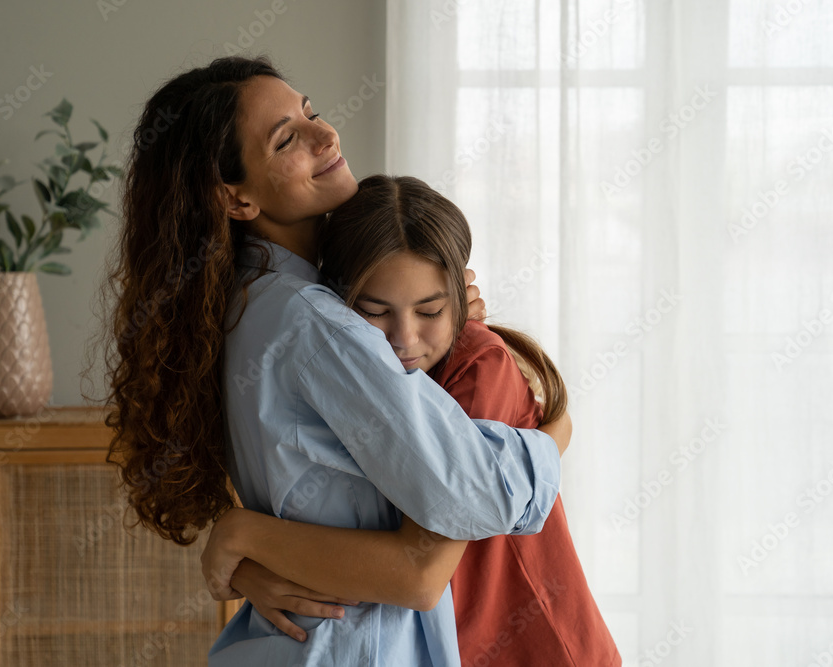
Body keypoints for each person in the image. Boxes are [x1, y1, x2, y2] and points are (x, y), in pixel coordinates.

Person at [99, 55, 567, 666]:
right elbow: (468, 506)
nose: (326, 135)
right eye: (287, 138)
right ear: (235, 197)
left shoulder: (243, 303)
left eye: (311, 112)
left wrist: (246, 543)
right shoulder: (315, 323)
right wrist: (555, 434)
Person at [202, 175, 620, 666]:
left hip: (538, 645)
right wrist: (246, 556)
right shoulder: (355, 370)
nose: (403, 339)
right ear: (338, 303)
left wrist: (555, 436)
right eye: (374, 312)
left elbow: (421, 569)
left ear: (461, 297)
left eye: (430, 311)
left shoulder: (478, 368)